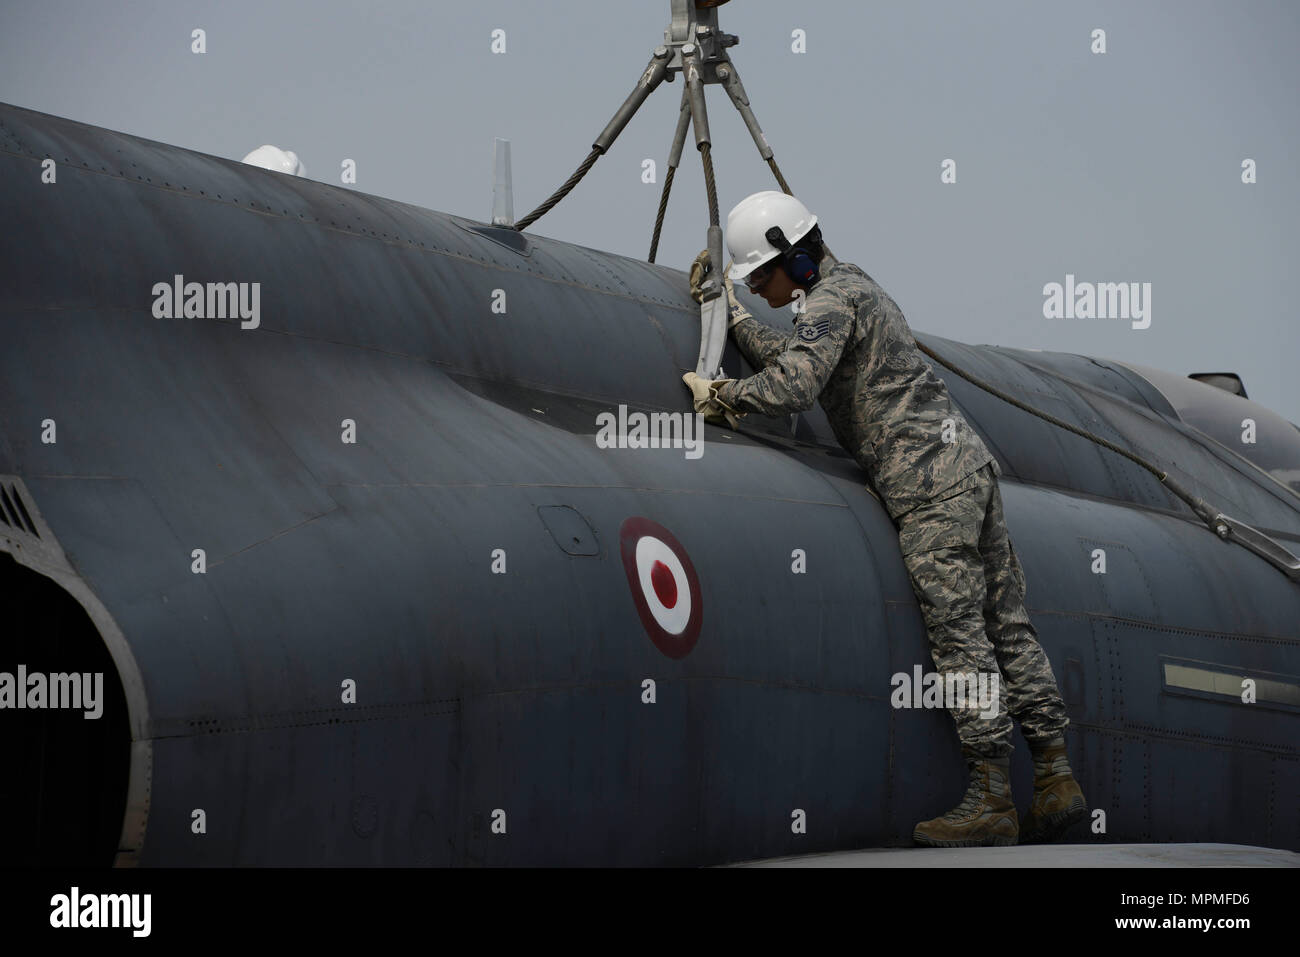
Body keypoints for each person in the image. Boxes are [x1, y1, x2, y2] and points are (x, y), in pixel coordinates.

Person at [684, 190, 1086, 846]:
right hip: (968, 469)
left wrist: (722, 396)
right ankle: (1055, 776)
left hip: (930, 489)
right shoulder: (849, 289)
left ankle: (990, 796)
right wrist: (729, 313)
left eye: (761, 276)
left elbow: (794, 387)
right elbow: (797, 357)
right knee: (1007, 624)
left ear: (795, 257)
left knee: (959, 635)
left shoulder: (830, 301)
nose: (760, 288)